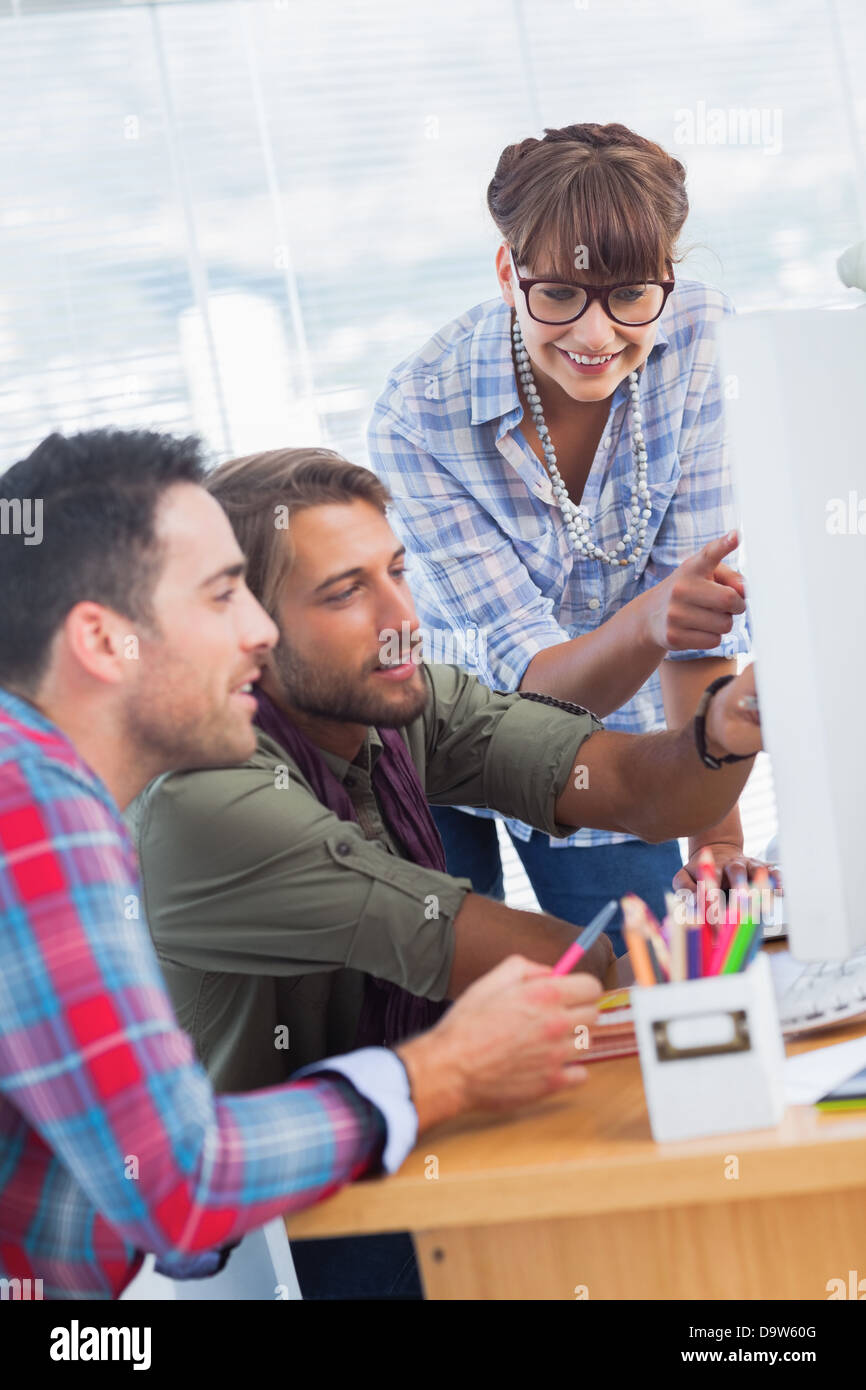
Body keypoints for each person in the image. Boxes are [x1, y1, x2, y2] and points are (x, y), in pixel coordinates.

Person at [129, 444, 763, 1293]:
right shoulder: (203, 803)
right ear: (242, 628)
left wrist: (721, 728)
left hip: (408, 1145)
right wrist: (704, 978)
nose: (402, 617)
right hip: (279, 1234)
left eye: (397, 571)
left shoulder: (394, 701)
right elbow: (512, 954)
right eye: (346, 591)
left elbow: (629, 787)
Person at [0, 428, 607, 1301]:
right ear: (102, 642)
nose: (259, 631)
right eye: (221, 598)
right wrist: (442, 1071)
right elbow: (178, 1186)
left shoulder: (51, 794)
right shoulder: (35, 812)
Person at [367, 120, 775, 953]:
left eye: (630, 295)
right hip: (431, 726)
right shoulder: (421, 414)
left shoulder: (701, 339)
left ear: (667, 277)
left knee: (647, 970)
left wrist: (717, 843)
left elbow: (699, 625)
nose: (596, 337)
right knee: (441, 989)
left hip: (612, 733)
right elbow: (536, 686)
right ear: (507, 276)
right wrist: (658, 615)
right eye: (557, 294)